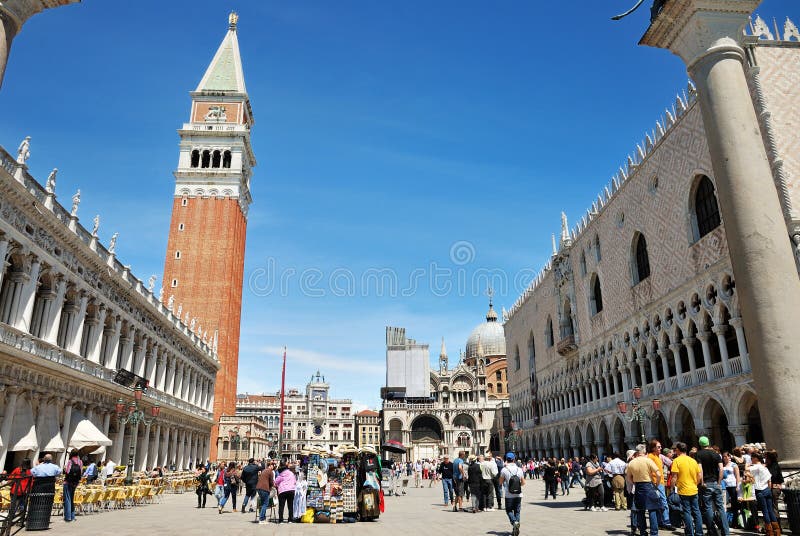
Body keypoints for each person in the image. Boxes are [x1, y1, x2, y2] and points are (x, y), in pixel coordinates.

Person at [696, 436, 729, 535]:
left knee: (708, 507)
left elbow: (700, 469)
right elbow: (721, 469)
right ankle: (726, 531)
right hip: (716, 482)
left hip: (706, 483)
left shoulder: (698, 454)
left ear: (700, 444)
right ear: (708, 443)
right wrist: (719, 481)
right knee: (721, 508)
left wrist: (702, 482)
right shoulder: (716, 454)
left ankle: (712, 531)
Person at [626, 444, 662, 536]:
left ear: (637, 452)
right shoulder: (648, 460)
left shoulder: (632, 463)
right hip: (648, 485)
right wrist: (657, 484)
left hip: (638, 486)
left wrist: (634, 483)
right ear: (644, 451)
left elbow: (628, 477)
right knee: (652, 510)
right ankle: (654, 533)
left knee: (640, 510)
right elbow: (658, 474)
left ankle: (643, 532)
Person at [669, 441, 703, 536]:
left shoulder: (676, 461)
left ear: (678, 450)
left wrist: (672, 487)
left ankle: (689, 533)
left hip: (683, 490)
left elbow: (674, 477)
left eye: (675, 450)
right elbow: (699, 475)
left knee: (686, 512)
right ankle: (699, 533)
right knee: (696, 511)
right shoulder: (693, 460)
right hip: (693, 489)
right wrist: (695, 484)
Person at [748, 452, 781, 536]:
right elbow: (769, 480)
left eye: (752, 458)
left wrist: (747, 465)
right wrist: (768, 489)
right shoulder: (765, 468)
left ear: (755, 458)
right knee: (771, 511)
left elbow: (746, 471)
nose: (751, 460)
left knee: (765, 511)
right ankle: (777, 531)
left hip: (760, 491)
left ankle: (769, 532)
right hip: (767, 489)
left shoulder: (755, 467)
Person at [647, 439, 672, 529]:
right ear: (653, 448)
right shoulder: (650, 457)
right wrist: (655, 483)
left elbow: (670, 463)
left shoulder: (658, 456)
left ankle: (661, 521)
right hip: (656, 483)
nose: (660, 448)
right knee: (662, 501)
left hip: (660, 482)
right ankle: (666, 522)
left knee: (660, 502)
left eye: (660, 446)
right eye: (658, 447)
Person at [498, 452, 525, 536]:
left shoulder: (504, 470)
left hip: (509, 494)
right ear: (514, 459)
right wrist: (517, 485)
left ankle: (514, 522)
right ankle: (516, 528)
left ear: (506, 459)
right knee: (517, 511)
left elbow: (500, 482)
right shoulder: (519, 469)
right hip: (518, 494)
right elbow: (523, 483)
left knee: (509, 510)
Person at [9, 459, 32, 525]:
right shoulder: (30, 472)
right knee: (22, 506)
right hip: (24, 491)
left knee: (13, 506)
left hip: (15, 490)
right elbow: (31, 483)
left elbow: (10, 479)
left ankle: (10, 520)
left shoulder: (17, 469)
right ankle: (21, 520)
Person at [722, 452, 741, 528]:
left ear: (729, 457)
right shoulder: (722, 465)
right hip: (725, 486)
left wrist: (737, 485)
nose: (724, 458)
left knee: (734, 504)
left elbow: (737, 475)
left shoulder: (734, 465)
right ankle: (726, 521)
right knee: (725, 503)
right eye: (723, 456)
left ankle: (735, 522)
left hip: (732, 485)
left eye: (725, 456)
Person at [63, 449, 83, 522]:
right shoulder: (80, 462)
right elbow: (81, 472)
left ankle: (68, 517)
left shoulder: (70, 461)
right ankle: (72, 516)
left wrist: (65, 469)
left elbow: (68, 472)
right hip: (75, 482)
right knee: (71, 499)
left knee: (67, 499)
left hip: (68, 482)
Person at [765, 450, 784, 524]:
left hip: (774, 489)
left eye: (766, 456)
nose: (765, 458)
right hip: (772, 488)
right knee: (772, 507)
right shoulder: (771, 465)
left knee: (773, 507)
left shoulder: (774, 466)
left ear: (769, 457)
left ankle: (777, 525)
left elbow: (772, 476)